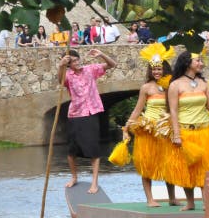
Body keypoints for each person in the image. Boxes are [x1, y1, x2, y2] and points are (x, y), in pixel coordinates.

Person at [165, 50, 209, 211]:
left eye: (201, 61)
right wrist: (176, 134)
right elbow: (173, 111)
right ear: (187, 63)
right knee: (188, 169)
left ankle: (208, 203)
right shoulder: (175, 85)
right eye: (198, 60)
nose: (201, 63)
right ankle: (190, 202)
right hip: (185, 132)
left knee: (207, 168)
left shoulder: (204, 84)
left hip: (205, 130)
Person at [122, 43, 177, 206]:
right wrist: (126, 128)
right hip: (148, 130)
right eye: (154, 69)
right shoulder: (146, 88)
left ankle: (172, 198)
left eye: (159, 69)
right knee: (147, 164)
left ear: (165, 69)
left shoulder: (171, 87)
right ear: (150, 71)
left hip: (166, 130)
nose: (157, 72)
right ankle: (150, 199)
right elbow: (137, 110)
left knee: (169, 164)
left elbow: (176, 108)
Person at [58, 48, 117, 194]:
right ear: (69, 64)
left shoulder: (90, 70)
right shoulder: (68, 75)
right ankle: (74, 177)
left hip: (91, 113)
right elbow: (60, 81)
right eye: (73, 61)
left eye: (77, 60)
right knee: (72, 150)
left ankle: (94, 182)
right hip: (75, 114)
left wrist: (102, 54)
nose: (77, 63)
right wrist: (60, 65)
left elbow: (112, 65)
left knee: (93, 150)